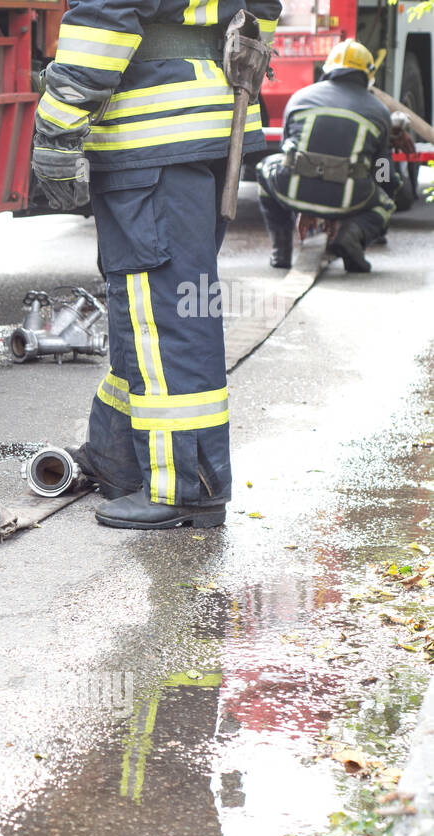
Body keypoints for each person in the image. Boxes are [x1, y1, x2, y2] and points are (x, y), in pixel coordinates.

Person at [30, 0, 281, 530]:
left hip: (151, 134)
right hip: (203, 123)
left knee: (167, 317)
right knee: (146, 311)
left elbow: (103, 15)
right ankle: (120, 456)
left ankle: (187, 488)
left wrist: (56, 129)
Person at [255, 39, 400, 272]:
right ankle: (351, 236)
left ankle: (281, 252)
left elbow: (287, 154)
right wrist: (382, 193)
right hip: (349, 199)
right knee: (385, 202)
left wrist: (305, 206)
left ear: (328, 68)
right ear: (368, 74)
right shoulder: (379, 111)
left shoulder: (300, 98)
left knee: (264, 168)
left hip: (293, 190)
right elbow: (383, 172)